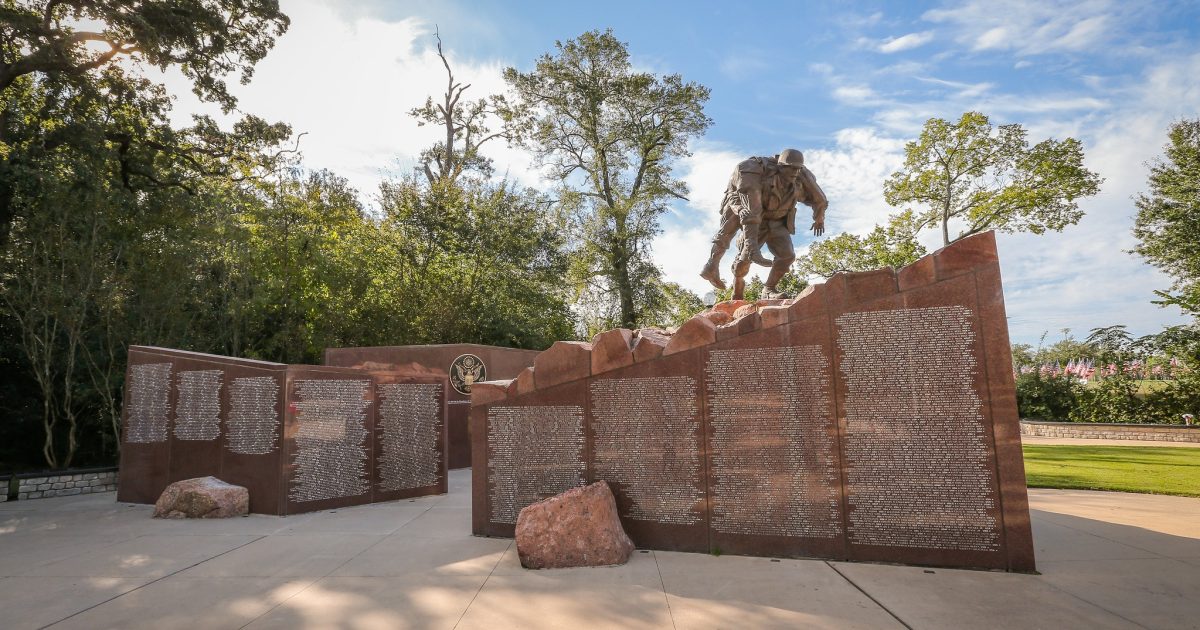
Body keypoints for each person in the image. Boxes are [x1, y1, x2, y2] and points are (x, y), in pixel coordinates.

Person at [699, 149, 828, 299]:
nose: (795, 172)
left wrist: (819, 218)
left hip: (778, 221)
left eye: (798, 168)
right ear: (780, 166)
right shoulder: (754, 173)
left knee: (787, 256)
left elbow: (820, 199)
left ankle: (768, 289)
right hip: (754, 218)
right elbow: (752, 212)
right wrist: (752, 247)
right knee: (743, 261)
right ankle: (731, 279)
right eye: (791, 168)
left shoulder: (802, 177)